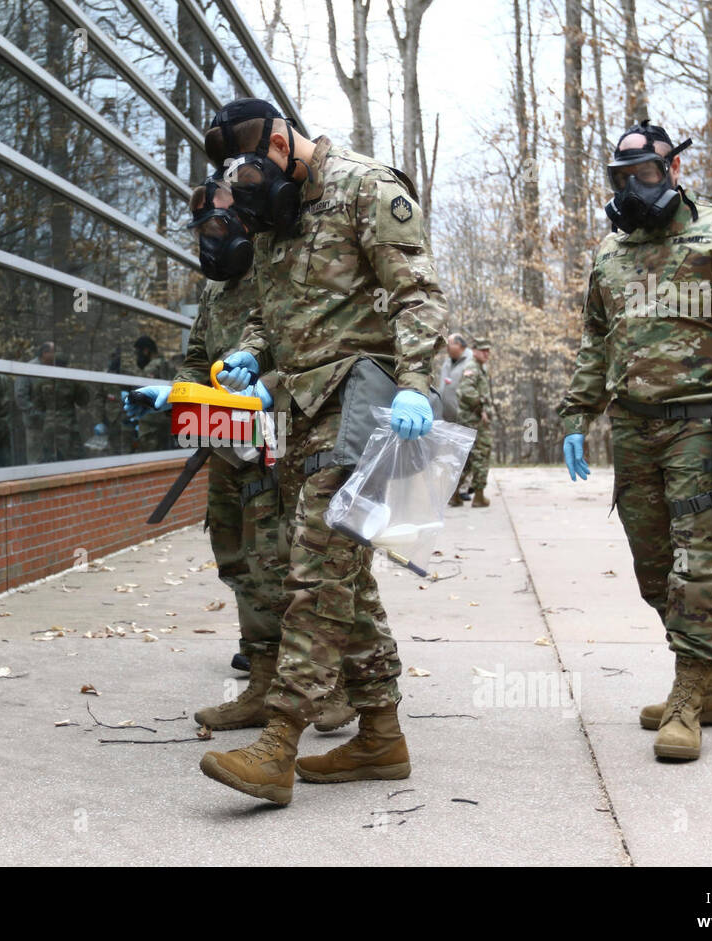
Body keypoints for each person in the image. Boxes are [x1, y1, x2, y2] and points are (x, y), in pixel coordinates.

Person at [195, 98, 448, 805]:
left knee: (313, 568)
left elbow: (418, 296)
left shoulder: (368, 187)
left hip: (369, 407)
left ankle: (278, 744)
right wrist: (248, 356)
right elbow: (265, 314)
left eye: (255, 168)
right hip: (302, 410)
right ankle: (380, 736)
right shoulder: (275, 212)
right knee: (347, 577)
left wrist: (420, 384)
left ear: (282, 141)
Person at [558, 120, 712, 762]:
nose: (631, 189)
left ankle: (688, 695)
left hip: (705, 423)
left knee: (700, 564)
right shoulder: (610, 256)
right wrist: (575, 414)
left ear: (673, 171)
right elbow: (595, 338)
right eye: (620, 179)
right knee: (652, 568)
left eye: (643, 175)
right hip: (634, 428)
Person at [130, 180, 355, 735]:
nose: (209, 242)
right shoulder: (214, 292)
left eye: (216, 229)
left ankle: (334, 687)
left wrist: (265, 384)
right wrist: (172, 394)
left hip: (281, 444)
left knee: (294, 565)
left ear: (241, 223)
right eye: (201, 231)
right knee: (240, 562)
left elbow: (310, 354)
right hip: (227, 449)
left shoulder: (278, 273)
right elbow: (197, 361)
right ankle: (262, 683)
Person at [452, 336, 494, 507]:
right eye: (483, 350)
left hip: (473, 420)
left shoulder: (479, 368)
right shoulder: (472, 368)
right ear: (474, 351)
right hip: (473, 420)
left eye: (488, 350)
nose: (486, 353)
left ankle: (454, 494)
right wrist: (481, 408)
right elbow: (466, 392)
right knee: (482, 454)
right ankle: (478, 495)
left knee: (469, 458)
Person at [132, 335, 175, 452]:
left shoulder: (151, 367)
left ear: (146, 351)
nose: (137, 356)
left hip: (151, 423)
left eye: (138, 352)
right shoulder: (169, 365)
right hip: (167, 421)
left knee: (149, 454)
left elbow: (142, 393)